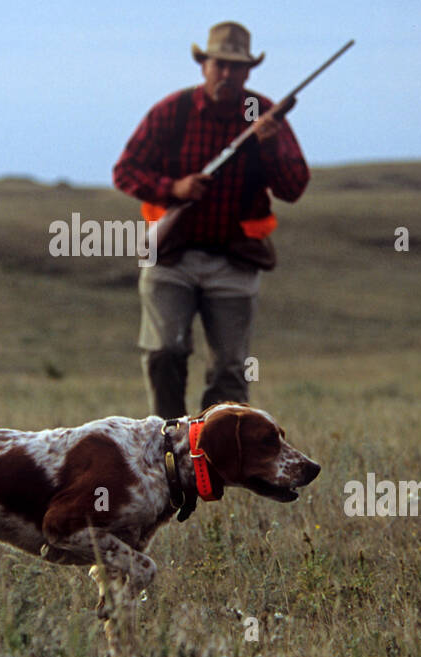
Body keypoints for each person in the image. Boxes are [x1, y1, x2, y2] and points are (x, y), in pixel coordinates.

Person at [113, 21, 311, 418]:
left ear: (249, 71)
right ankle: (166, 445)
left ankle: (215, 455)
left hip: (234, 259)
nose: (226, 74)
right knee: (164, 352)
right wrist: (175, 189)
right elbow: (126, 170)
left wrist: (270, 144)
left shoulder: (265, 115)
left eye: (236, 67)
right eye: (219, 64)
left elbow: (293, 188)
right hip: (171, 255)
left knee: (229, 371)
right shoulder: (173, 111)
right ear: (203, 64)